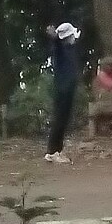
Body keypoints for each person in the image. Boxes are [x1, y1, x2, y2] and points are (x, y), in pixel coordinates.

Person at [44, 21, 81, 164]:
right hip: (62, 90)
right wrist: (55, 37)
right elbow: (57, 43)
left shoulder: (69, 49)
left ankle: (56, 150)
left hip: (67, 89)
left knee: (63, 120)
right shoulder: (60, 49)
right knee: (59, 120)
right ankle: (53, 151)